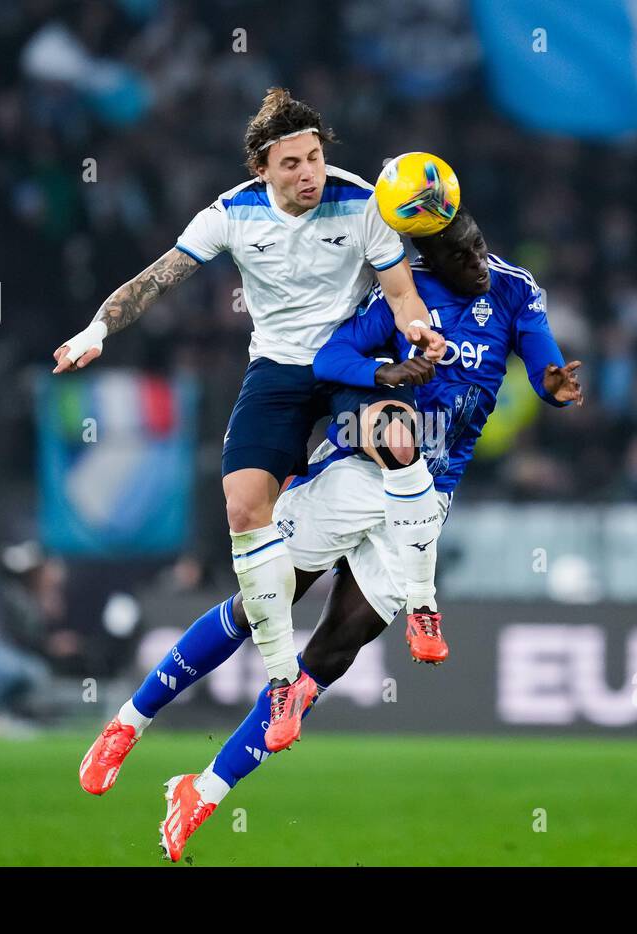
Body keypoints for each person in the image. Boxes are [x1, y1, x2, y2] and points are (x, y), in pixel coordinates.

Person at [77, 207, 583, 861]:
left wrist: (556, 385)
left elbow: (545, 365)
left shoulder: (515, 289)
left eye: (481, 247)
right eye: (464, 256)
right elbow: (331, 354)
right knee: (260, 605)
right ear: (429, 257)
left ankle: (201, 790)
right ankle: (128, 723)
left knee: (332, 655)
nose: (479, 263)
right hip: (355, 472)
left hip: (430, 496)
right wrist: (383, 374)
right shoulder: (401, 292)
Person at [53, 88, 446, 751]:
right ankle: (282, 677)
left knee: (399, 437)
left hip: (348, 360)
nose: (309, 173)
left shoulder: (363, 204)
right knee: (243, 510)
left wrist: (418, 333)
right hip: (279, 373)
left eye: (315, 157)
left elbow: (402, 292)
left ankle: (423, 604)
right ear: (261, 168)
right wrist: (98, 330)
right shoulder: (231, 215)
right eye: (292, 163)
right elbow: (155, 280)